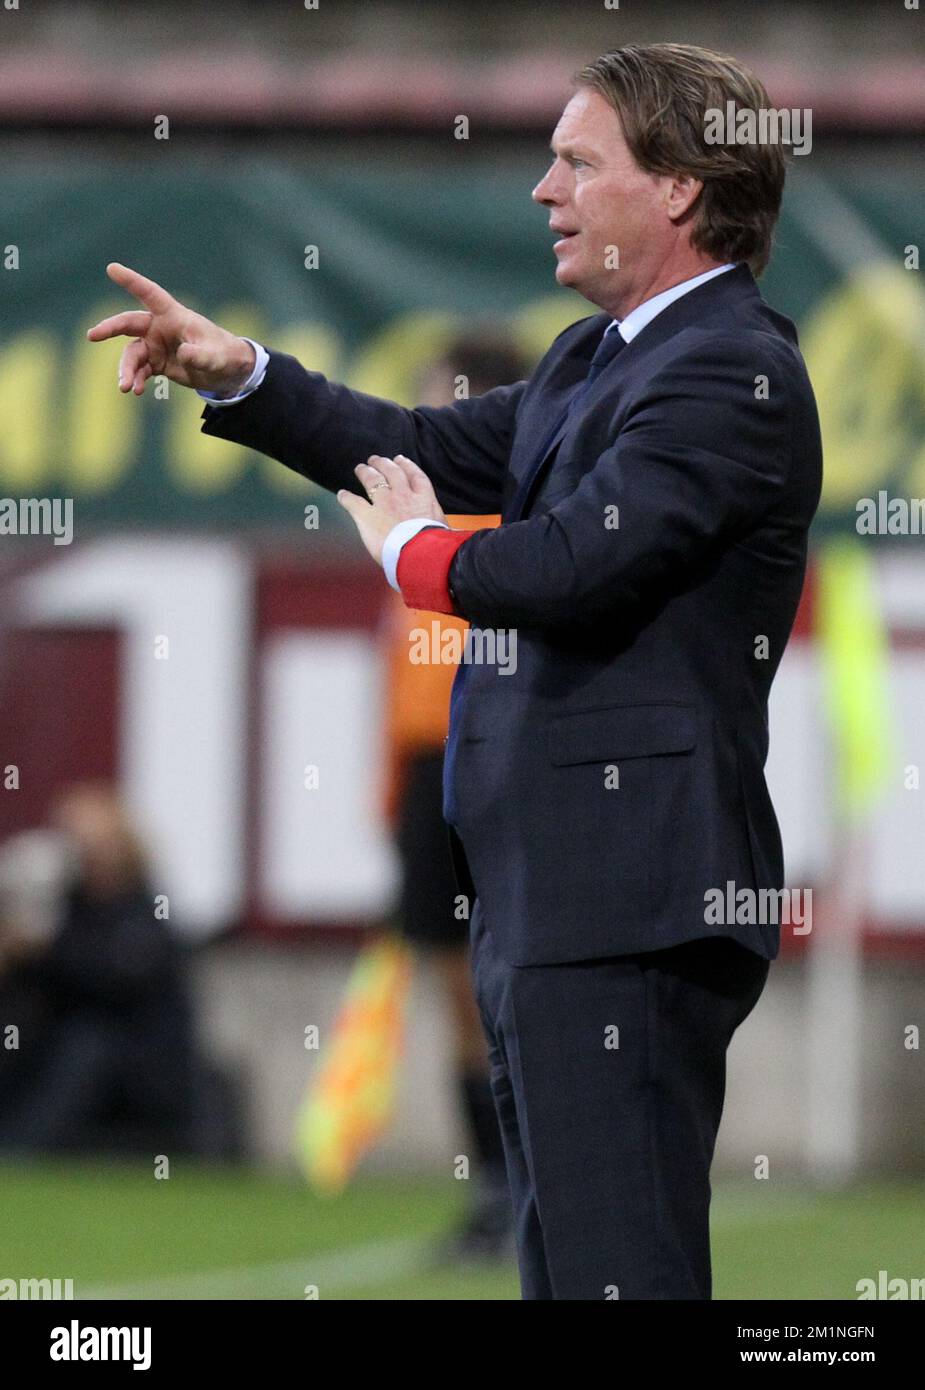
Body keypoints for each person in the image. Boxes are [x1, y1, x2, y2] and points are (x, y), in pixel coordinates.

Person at [87, 43, 823, 1298]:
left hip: (627, 896)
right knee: (572, 1270)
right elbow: (417, 441)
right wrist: (242, 375)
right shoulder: (602, 359)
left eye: (577, 162)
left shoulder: (727, 370)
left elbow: (567, 566)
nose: (542, 189)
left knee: (618, 1275)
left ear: (682, 190)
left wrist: (415, 553)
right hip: (558, 887)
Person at [382, 334, 526, 1262]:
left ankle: (528, 1180)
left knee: (505, 984)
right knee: (450, 985)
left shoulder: (519, 515)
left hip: (490, 760)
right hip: (421, 771)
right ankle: (492, 1188)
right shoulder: (414, 521)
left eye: (444, 402)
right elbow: (401, 676)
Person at [0, 785, 199, 1156]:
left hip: (142, 1077)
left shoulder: (146, 911)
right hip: (60, 1061)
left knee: (88, 1045)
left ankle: (19, 1150)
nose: (85, 854)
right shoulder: (63, 908)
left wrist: (43, 950)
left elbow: (113, 976)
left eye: (95, 842)